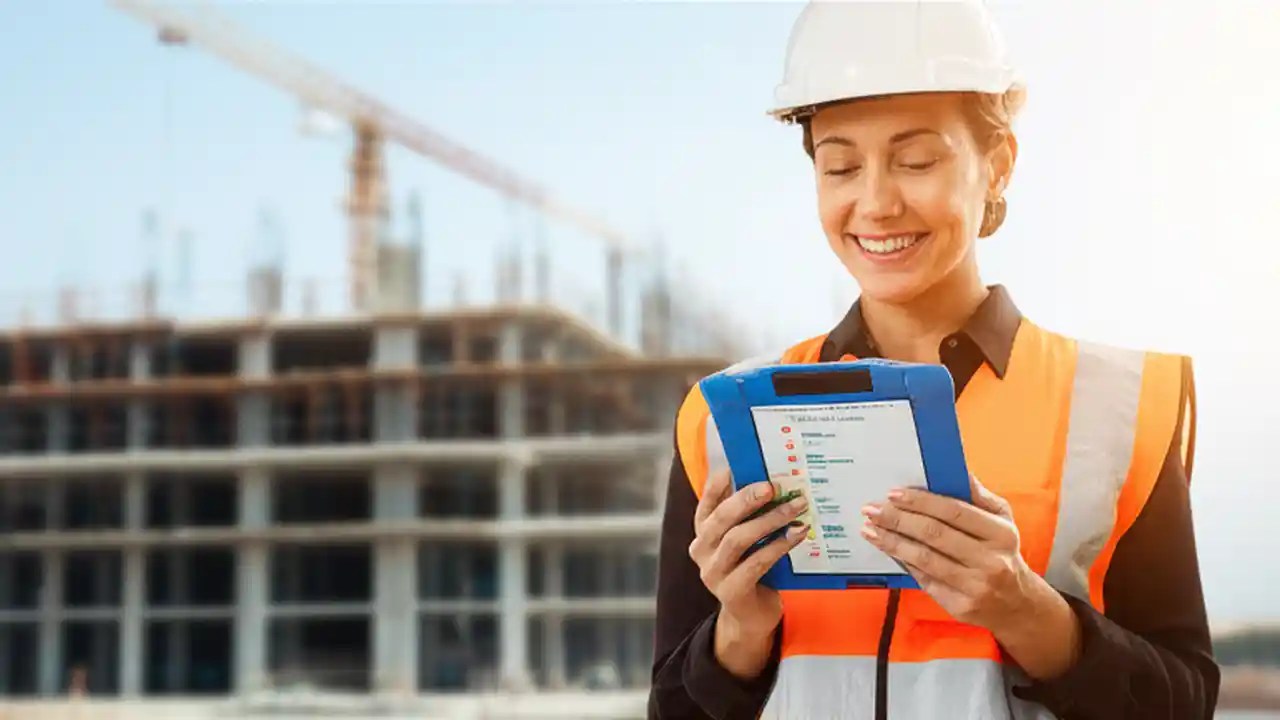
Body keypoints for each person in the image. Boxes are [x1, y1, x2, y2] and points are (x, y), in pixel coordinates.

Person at [648, 1, 1219, 718]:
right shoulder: (722, 416)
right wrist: (740, 631)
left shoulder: (1126, 404)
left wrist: (1025, 611)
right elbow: (673, 708)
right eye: (841, 166)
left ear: (999, 164)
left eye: (916, 160)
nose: (876, 203)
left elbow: (1185, 702)